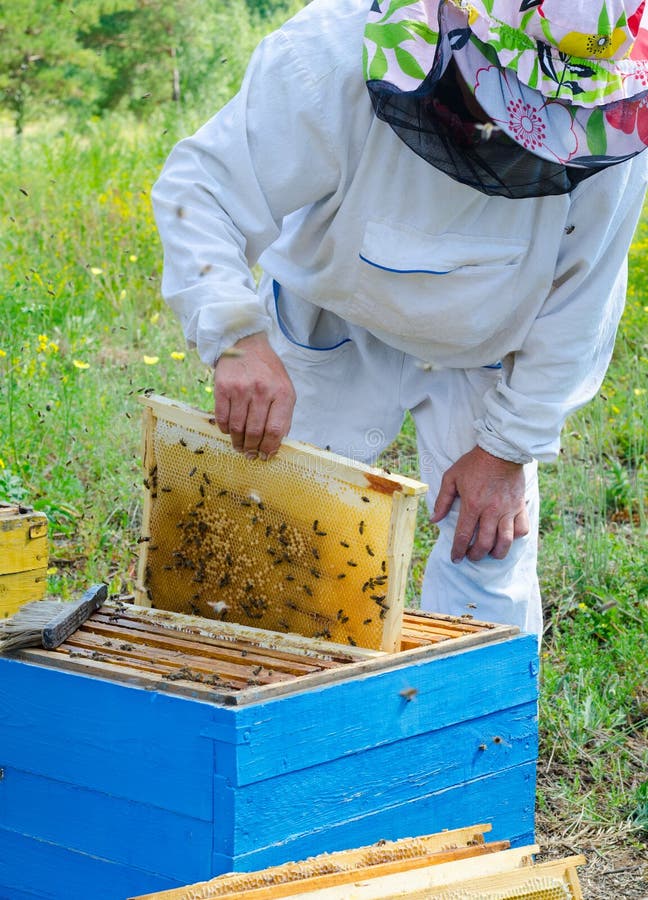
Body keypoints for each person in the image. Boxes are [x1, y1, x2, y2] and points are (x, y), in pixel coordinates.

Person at [152, 0, 648, 637]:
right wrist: (236, 337)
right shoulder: (331, 50)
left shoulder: (611, 125)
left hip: (488, 350)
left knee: (487, 554)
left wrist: (507, 450)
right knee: (278, 534)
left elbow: (584, 294)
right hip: (333, 316)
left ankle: (467, 728)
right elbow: (205, 188)